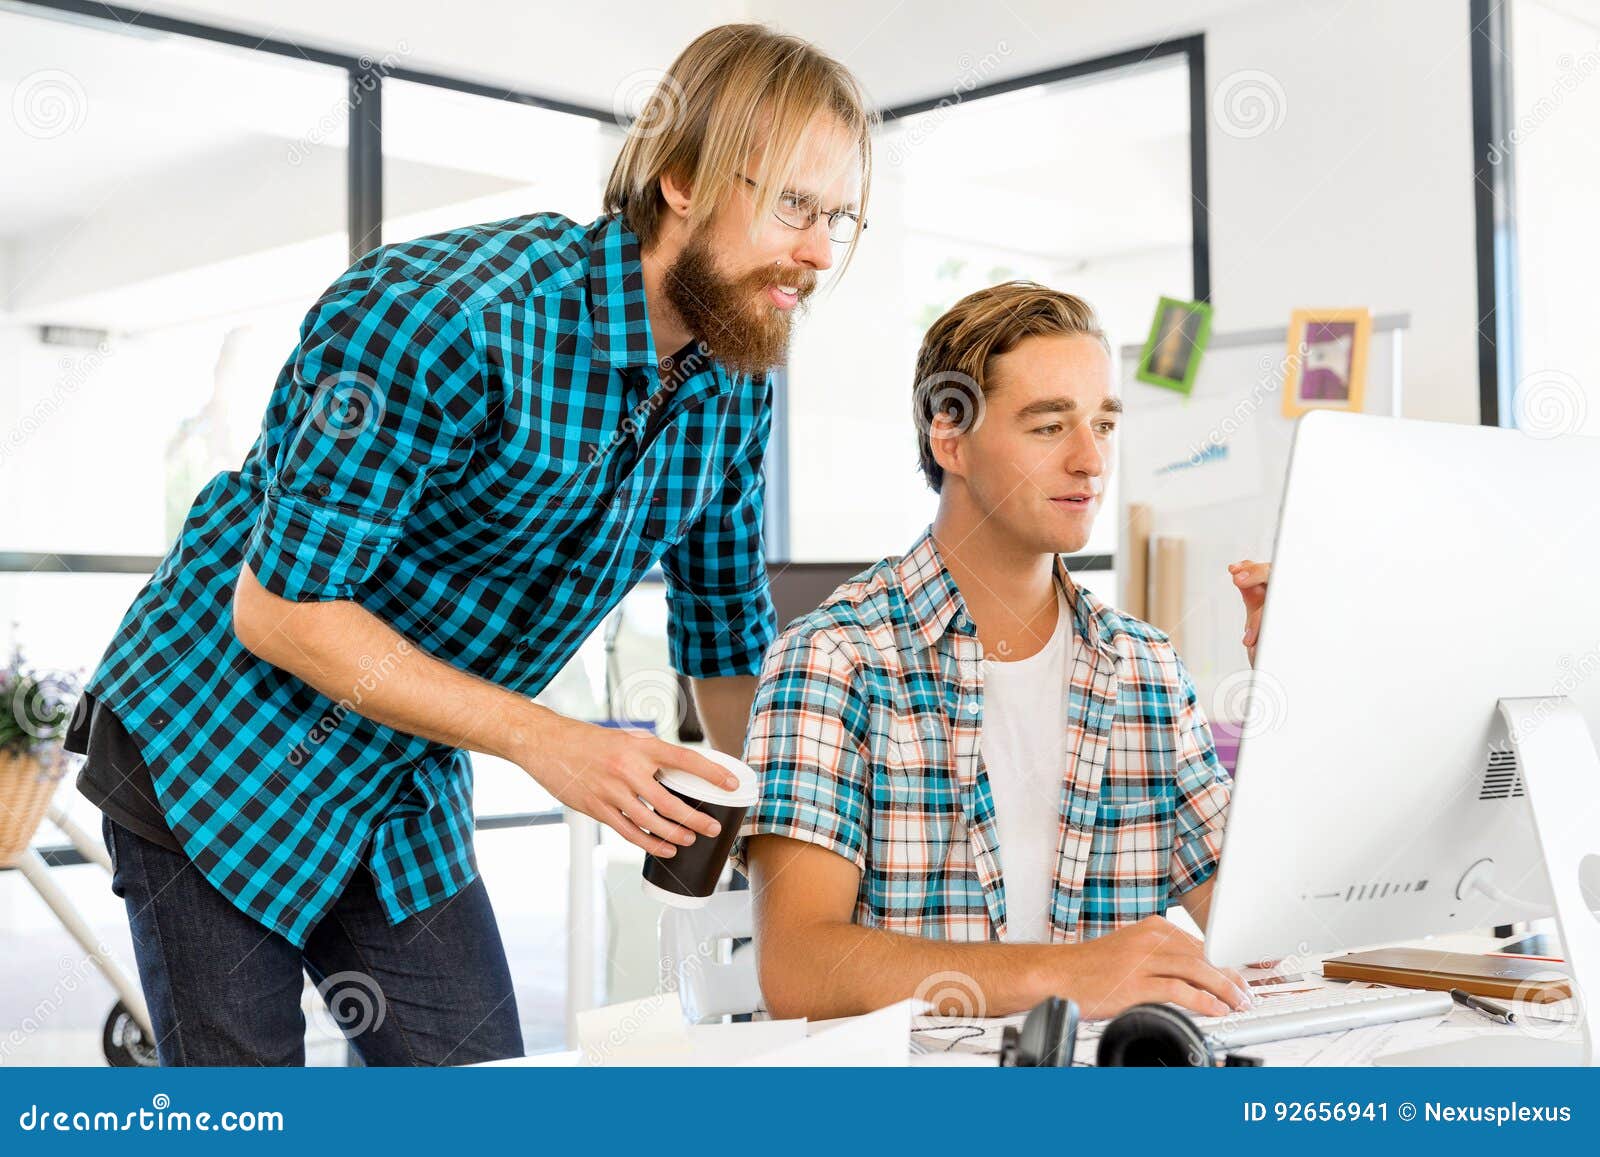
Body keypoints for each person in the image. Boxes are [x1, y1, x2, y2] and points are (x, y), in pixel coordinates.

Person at [65, 23, 873, 1066]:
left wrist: (801, 832)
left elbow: (725, 651)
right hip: (218, 749)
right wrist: (552, 740)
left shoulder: (732, 389)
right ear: (679, 175)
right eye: (793, 205)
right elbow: (279, 608)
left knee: (481, 1097)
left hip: (399, 780)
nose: (816, 251)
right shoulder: (447, 316)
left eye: (838, 217)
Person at [739, 281, 1269, 1022]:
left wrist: (1295, 682)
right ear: (949, 436)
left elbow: (1265, 931)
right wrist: (1072, 976)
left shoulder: (1145, 667)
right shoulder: (833, 659)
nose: (1091, 461)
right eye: (1050, 426)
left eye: (1105, 426)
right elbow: (798, 967)